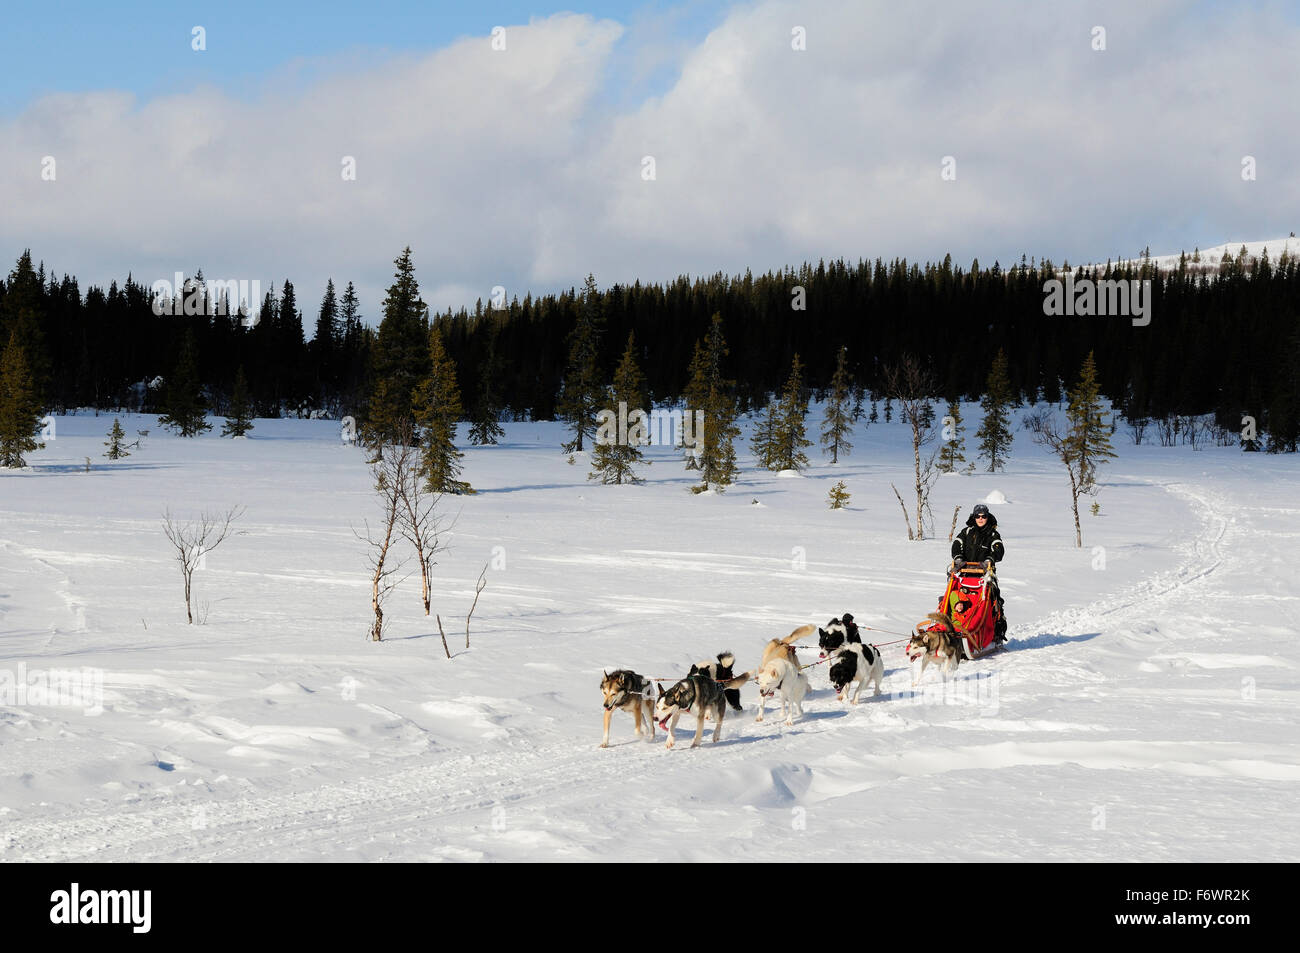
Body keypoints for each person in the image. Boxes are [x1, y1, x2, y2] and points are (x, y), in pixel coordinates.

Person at [950, 503, 1007, 642]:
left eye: (983, 516)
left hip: (985, 575)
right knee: (953, 595)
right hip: (965, 574)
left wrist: (990, 559)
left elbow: (998, 549)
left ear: (987, 517)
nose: (980, 519)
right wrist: (958, 558)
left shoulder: (993, 534)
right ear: (974, 517)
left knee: (994, 601)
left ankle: (995, 633)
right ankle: (952, 624)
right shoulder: (967, 531)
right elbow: (957, 544)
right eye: (978, 516)